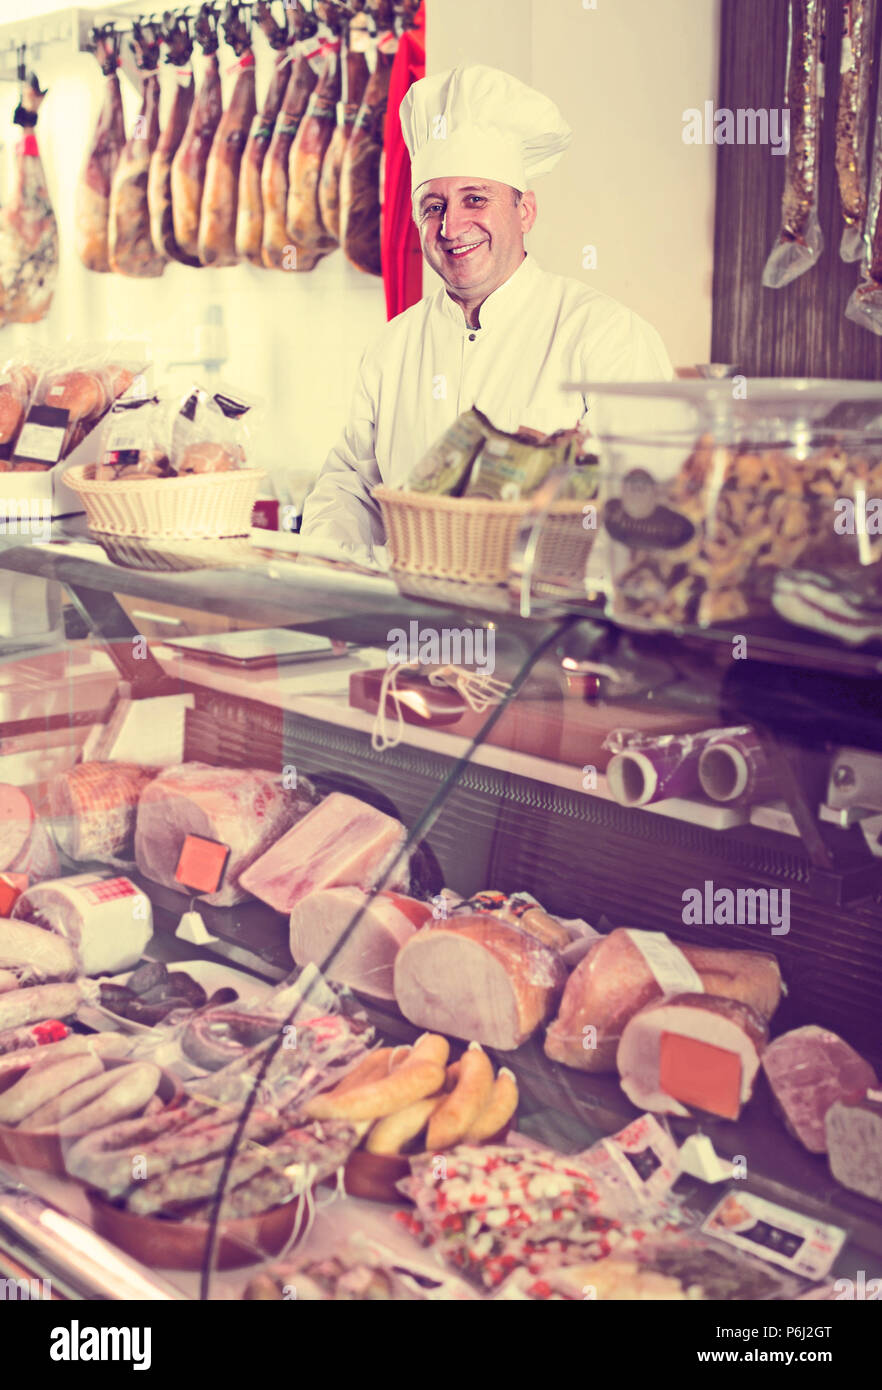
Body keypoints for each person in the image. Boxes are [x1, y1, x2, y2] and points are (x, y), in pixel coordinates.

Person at [301, 63, 673, 565]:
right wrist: (329, 579)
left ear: (525, 212)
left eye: (475, 199)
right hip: (414, 631)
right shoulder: (393, 347)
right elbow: (350, 486)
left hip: (548, 629)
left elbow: (650, 504)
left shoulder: (606, 336)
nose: (451, 225)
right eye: (432, 206)